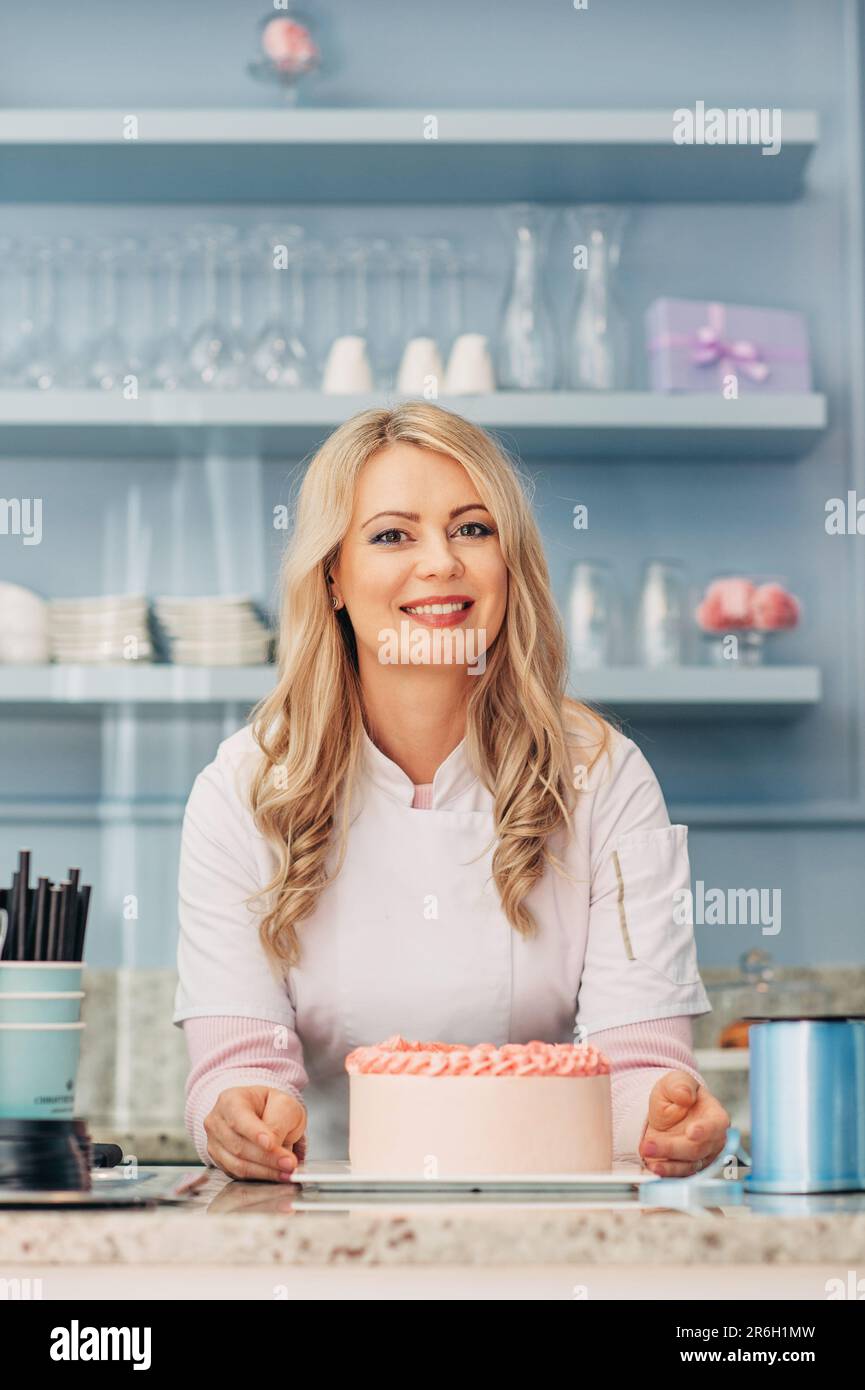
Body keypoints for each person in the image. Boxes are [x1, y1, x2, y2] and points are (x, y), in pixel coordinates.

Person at [173, 402, 728, 1182]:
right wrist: (239, 1111)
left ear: (510, 563)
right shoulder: (244, 788)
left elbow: (635, 1064)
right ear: (332, 576)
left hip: (553, 1214)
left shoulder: (602, 774)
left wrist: (667, 1117)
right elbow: (235, 1067)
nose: (440, 562)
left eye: (472, 528)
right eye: (392, 534)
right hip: (318, 1217)